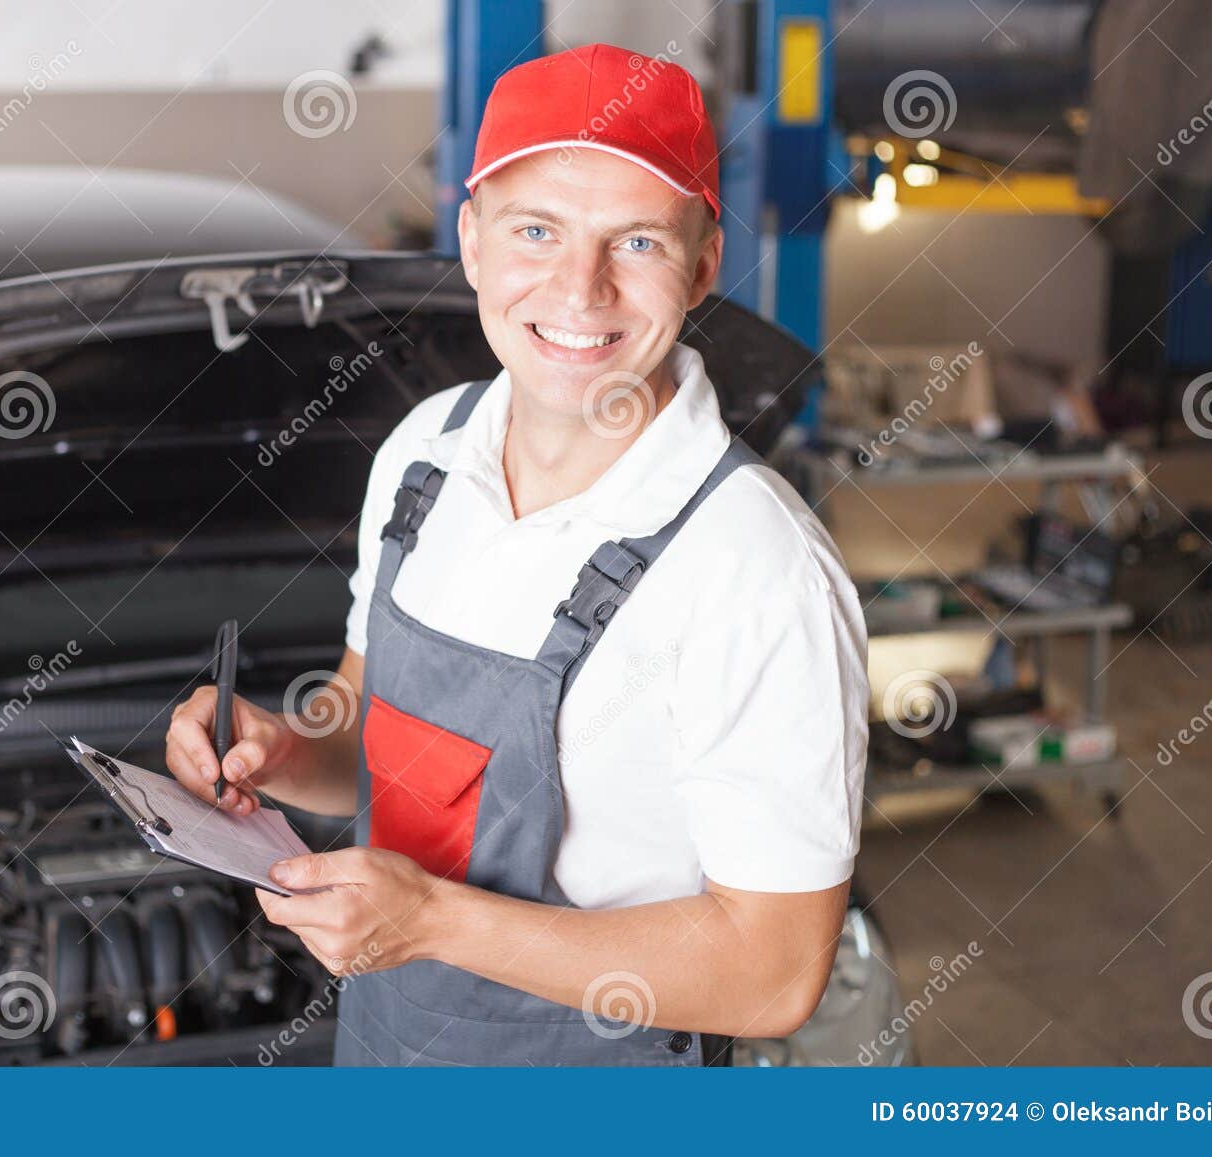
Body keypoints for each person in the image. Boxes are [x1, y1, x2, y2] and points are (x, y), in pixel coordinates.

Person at [166, 42, 868, 1066]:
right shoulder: (425, 452)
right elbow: (376, 743)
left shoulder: (752, 567)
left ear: (707, 260)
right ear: (473, 240)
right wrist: (277, 753)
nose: (579, 289)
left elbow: (773, 972)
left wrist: (435, 921)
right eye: (536, 229)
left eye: (633, 241)